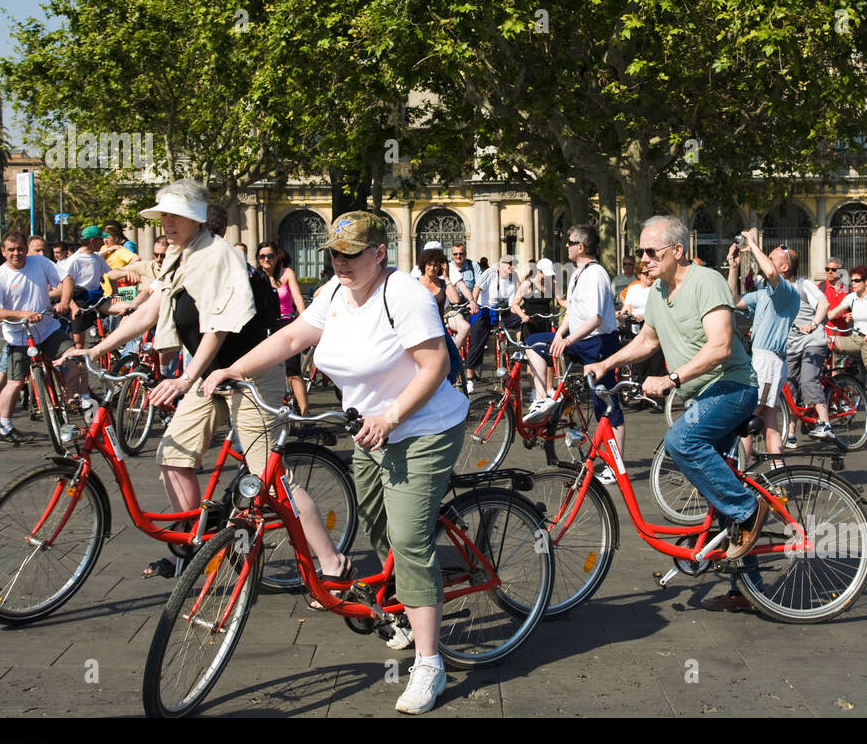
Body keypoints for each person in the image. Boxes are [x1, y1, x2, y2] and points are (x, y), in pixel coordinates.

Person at [205, 210, 468, 714]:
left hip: (422, 428)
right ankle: (404, 606)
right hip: (368, 431)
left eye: (351, 254)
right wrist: (231, 370)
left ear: (379, 253)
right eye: (333, 253)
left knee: (410, 539)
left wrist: (392, 415)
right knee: (378, 526)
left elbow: (434, 365)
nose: (340, 262)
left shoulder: (405, 296)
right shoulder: (333, 292)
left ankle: (429, 664)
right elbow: (290, 339)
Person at [61, 179, 337, 586]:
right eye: (163, 217)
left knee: (271, 478)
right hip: (210, 373)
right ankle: (198, 548)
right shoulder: (179, 255)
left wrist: (185, 377)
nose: (166, 223)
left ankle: (330, 562)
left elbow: (219, 328)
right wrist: (95, 349)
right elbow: (148, 312)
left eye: (175, 216)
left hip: (251, 373)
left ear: (196, 219)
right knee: (172, 456)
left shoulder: (220, 256)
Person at [584, 215, 764, 561]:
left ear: (678, 250)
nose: (644, 259)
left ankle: (749, 509)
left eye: (651, 251)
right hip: (703, 395)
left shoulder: (706, 281)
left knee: (681, 441)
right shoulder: (658, 292)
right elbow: (647, 341)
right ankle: (744, 584)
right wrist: (606, 364)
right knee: (718, 483)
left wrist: (671, 378)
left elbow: (721, 345)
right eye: (641, 252)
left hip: (732, 387)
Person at [522, 224, 623, 457]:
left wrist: (567, 342)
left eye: (569, 242)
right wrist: (559, 334)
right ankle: (542, 398)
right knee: (535, 343)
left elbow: (596, 318)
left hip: (600, 343)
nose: (565, 246)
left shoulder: (596, 274)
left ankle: (616, 464)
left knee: (606, 405)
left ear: (580, 246)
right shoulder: (577, 272)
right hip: (581, 340)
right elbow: (572, 311)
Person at [0, 230, 88, 443]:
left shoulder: (39, 263)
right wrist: (23, 315)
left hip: (48, 329)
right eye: (11, 250)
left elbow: (66, 279)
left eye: (20, 249)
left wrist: (65, 301)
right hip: (18, 337)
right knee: (14, 382)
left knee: (75, 358)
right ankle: (5, 427)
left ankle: (71, 400)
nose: (17, 253)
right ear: (3, 252)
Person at [725, 231, 802, 462]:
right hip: (761, 360)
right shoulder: (764, 293)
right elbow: (734, 300)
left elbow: (769, 270)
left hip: (767, 361)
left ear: (785, 267)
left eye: (771, 257)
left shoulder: (788, 292)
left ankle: (739, 474)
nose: (765, 259)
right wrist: (734, 267)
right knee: (770, 422)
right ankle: (779, 477)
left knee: (747, 419)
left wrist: (754, 244)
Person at [827, 266, 867, 431]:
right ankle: (835, 378)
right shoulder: (852, 298)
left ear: (866, 281)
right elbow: (832, 314)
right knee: (830, 341)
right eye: (852, 280)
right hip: (855, 338)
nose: (852, 283)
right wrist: (813, 321)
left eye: (856, 281)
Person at [256, 240, 310, 414]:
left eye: (270, 255)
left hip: (287, 324)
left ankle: (304, 412)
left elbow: (297, 299)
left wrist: (305, 321)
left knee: (293, 372)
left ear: (277, 256)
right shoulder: (256, 278)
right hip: (266, 327)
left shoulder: (286, 274)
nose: (266, 259)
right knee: (267, 373)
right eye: (262, 256)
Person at [464, 256, 522, 386]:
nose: (512, 267)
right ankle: (469, 378)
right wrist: (473, 303)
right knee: (477, 341)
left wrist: (520, 313)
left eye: (514, 265)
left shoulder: (514, 277)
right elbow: (477, 287)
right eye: (509, 264)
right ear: (501, 265)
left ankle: (519, 350)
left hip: (503, 310)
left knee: (521, 322)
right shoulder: (491, 272)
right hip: (485, 309)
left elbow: (513, 302)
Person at [62, 226, 113, 348]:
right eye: (100, 239)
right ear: (92, 241)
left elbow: (111, 275)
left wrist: (114, 294)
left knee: (123, 310)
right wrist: (73, 307)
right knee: (79, 342)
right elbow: (64, 286)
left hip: (96, 297)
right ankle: (79, 362)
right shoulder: (74, 260)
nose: (103, 242)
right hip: (79, 298)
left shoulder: (98, 257)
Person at [616, 260, 659, 389]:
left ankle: (657, 398)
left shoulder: (657, 287)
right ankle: (641, 393)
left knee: (655, 363)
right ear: (639, 274)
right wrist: (619, 314)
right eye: (646, 273)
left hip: (654, 327)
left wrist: (645, 316)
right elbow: (627, 309)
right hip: (636, 328)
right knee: (640, 363)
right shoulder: (633, 289)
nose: (649, 276)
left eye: (650, 273)